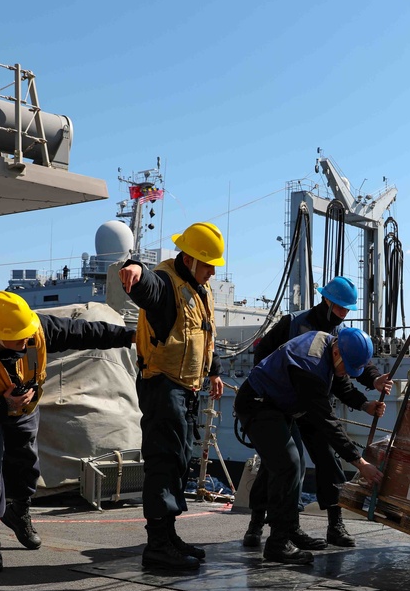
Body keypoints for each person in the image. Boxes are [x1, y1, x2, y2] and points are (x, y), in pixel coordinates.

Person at [0, 291, 135, 573]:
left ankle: (19, 511)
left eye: (28, 335)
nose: (27, 341)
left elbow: (82, 332)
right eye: (18, 338)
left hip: (24, 410)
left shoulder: (34, 330)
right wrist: (0, 405)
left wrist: (130, 337)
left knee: (27, 462)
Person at [244, 276, 393, 550]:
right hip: (282, 405)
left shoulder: (341, 335)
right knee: (282, 464)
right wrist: (277, 389)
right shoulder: (292, 323)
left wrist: (369, 391)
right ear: (326, 301)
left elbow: (350, 370)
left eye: (347, 310)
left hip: (312, 407)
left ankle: (334, 525)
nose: (344, 314)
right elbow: (262, 354)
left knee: (327, 460)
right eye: (340, 308)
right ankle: (257, 524)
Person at [118, 222, 226, 571]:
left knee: (180, 462)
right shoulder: (166, 283)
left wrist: (215, 371)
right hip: (163, 386)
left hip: (186, 390)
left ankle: (169, 535)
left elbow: (204, 333)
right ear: (190, 259)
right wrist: (134, 266)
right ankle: (158, 545)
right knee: (164, 463)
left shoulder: (199, 288)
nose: (212, 271)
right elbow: (147, 287)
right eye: (208, 263)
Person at [234, 327, 384, 564]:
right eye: (348, 366)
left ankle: (290, 531)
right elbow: (326, 422)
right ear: (337, 353)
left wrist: (364, 404)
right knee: (287, 465)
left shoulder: (329, 343)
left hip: (279, 406)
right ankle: (278, 543)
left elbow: (340, 380)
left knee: (297, 465)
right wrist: (360, 462)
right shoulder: (309, 366)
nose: (348, 373)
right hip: (258, 404)